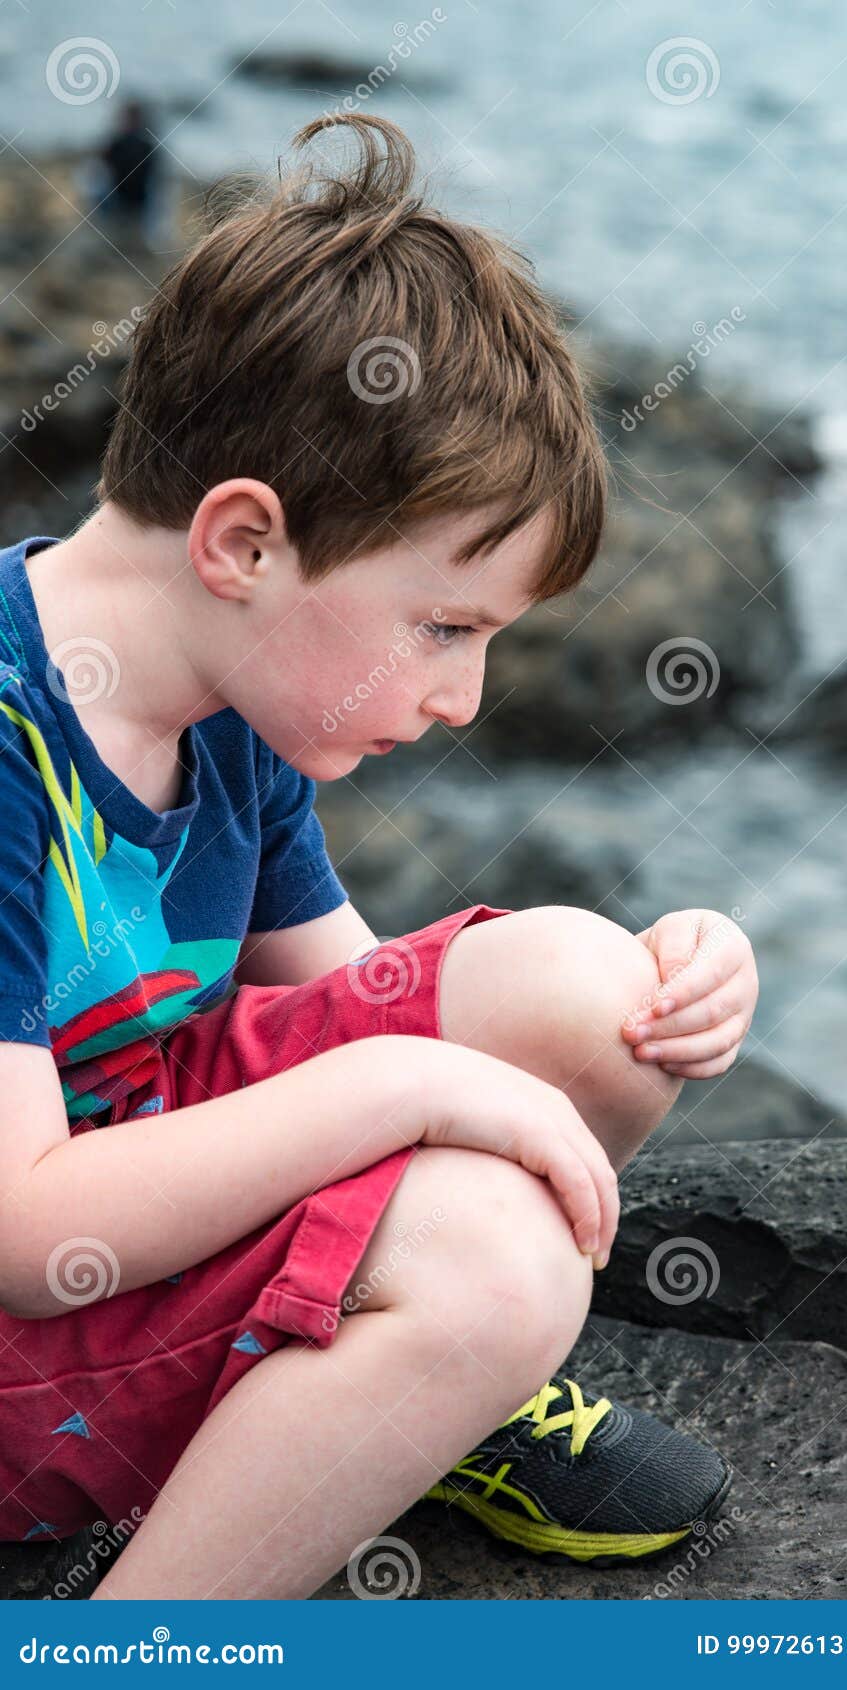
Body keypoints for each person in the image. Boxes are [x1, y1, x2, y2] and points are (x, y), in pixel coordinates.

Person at [0, 113, 757, 1600]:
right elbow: (31, 1231)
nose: (463, 698)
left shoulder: (232, 696)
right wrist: (413, 1094)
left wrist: (676, 981)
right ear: (243, 543)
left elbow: (365, 997)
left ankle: (395, 1403)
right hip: (39, 1282)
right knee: (496, 1262)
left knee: (581, 998)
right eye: (445, 626)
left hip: (146, 1183)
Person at [93, 100, 158, 248]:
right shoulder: (116, 143)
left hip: (137, 204)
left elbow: (153, 182)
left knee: (131, 238)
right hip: (116, 200)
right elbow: (99, 169)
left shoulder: (146, 146)